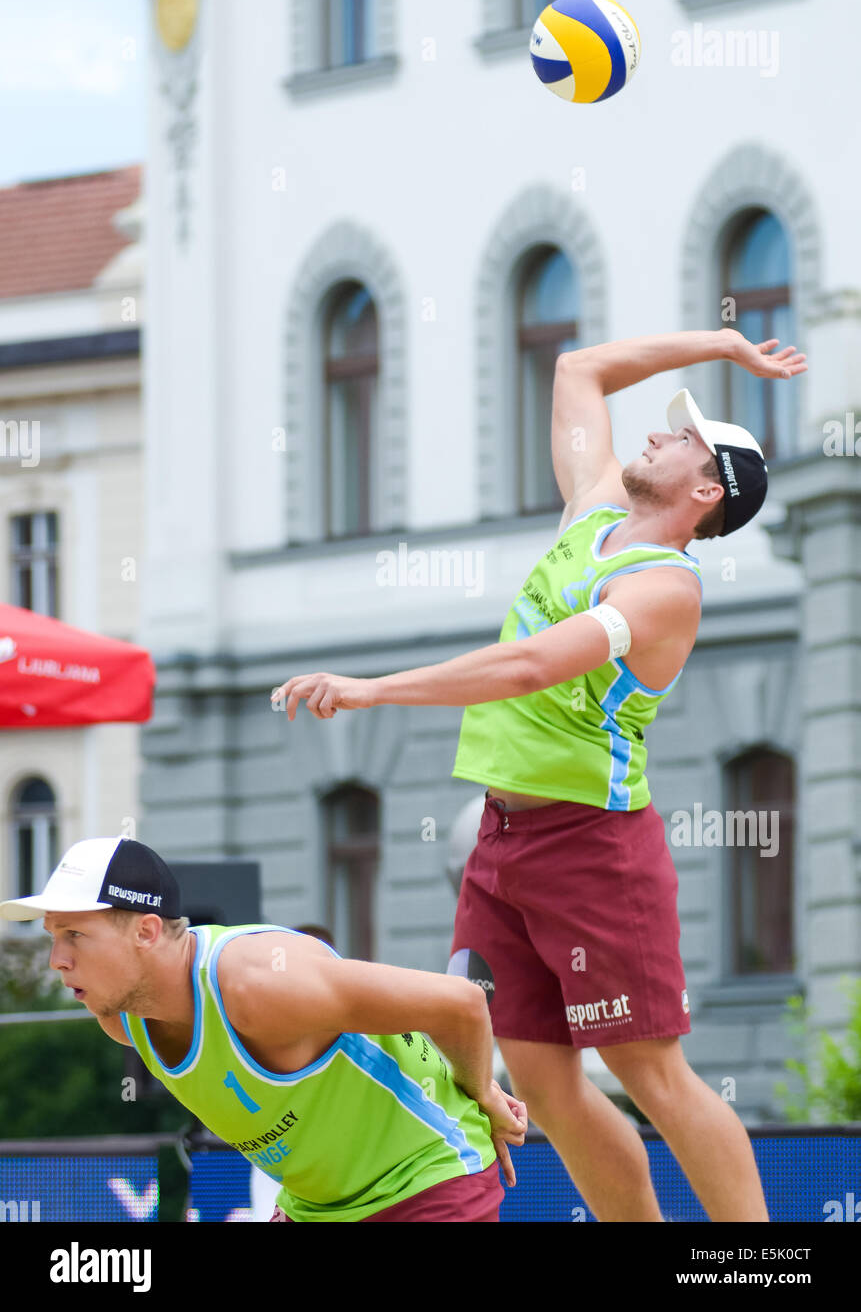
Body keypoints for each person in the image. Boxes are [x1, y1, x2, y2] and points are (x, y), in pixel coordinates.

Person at [271, 327, 808, 1222]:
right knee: (541, 1083)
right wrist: (719, 345)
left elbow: (523, 667)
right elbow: (579, 368)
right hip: (501, 838)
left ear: (705, 490)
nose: (652, 435)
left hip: (595, 849)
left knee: (654, 1077)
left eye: (678, 437)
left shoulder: (665, 586)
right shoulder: (593, 511)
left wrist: (371, 692)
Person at [0, 835, 526, 1223]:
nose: (56, 960)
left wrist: (484, 1093)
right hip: (316, 1206)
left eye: (73, 934)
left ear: (146, 930)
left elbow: (461, 1002)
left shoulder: (258, 984)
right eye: (52, 935)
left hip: (425, 1178)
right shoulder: (120, 1016)